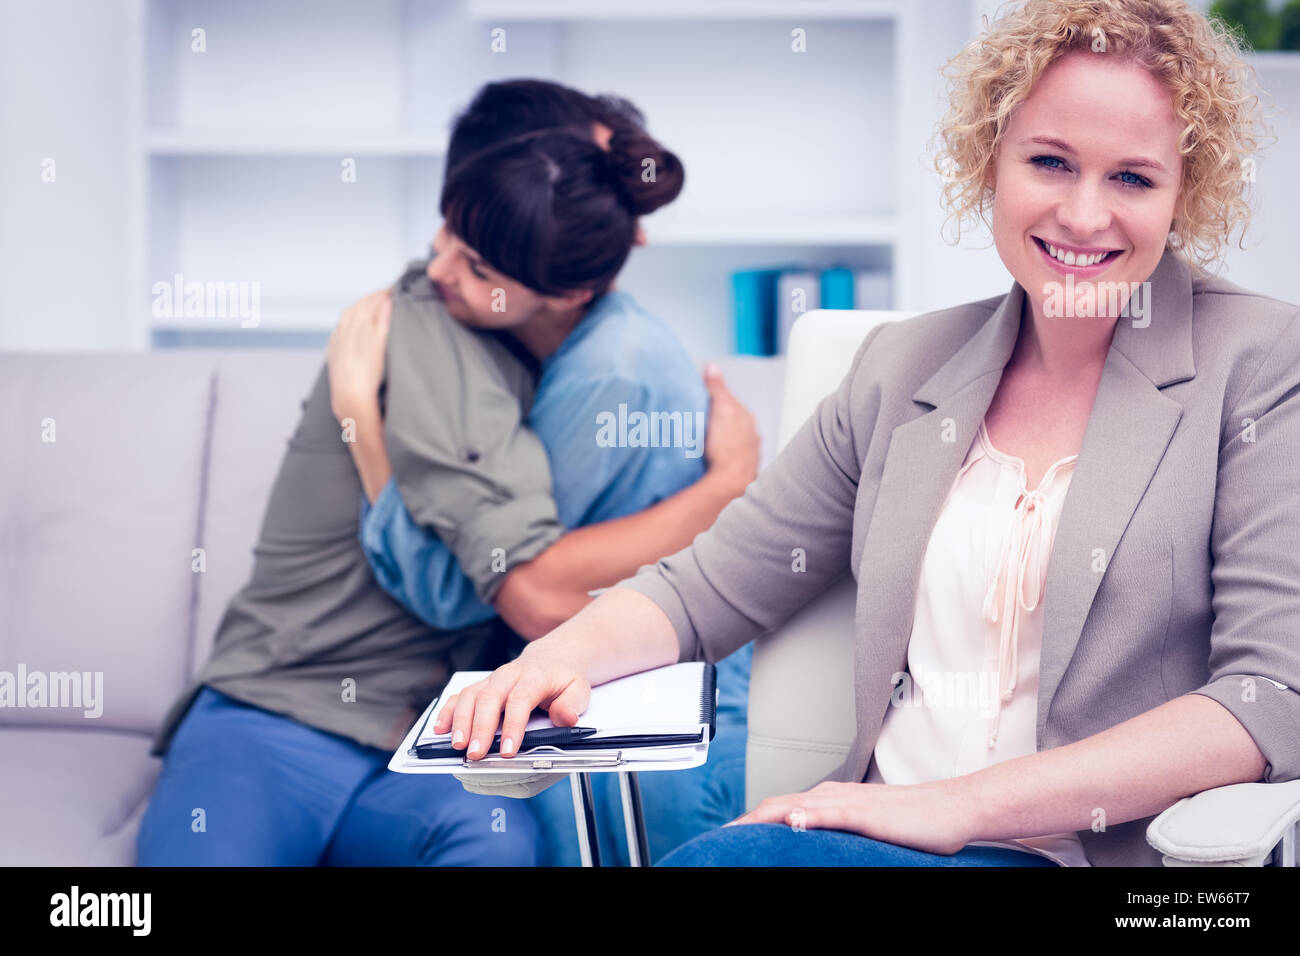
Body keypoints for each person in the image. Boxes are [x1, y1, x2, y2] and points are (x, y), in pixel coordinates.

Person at [433, 0, 1300, 868]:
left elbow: (1272, 699)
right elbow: (708, 589)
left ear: (1187, 192)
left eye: (1132, 179)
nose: (1081, 215)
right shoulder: (902, 367)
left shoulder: (1261, 363)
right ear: (989, 161)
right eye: (1050, 161)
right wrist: (544, 662)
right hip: (879, 843)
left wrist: (954, 808)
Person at [136, 79, 757, 866]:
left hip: (436, 732)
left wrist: (726, 494)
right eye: (450, 236)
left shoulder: (589, 359)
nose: (437, 265)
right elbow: (525, 593)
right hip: (286, 712)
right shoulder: (441, 328)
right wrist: (726, 491)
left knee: (496, 846)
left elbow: (532, 591)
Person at [333, 80, 759, 865]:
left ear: (563, 285)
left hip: (643, 731)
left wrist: (362, 421)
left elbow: (501, 590)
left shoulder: (609, 373)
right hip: (614, 697)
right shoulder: (548, 343)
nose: (436, 267)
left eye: (474, 259)